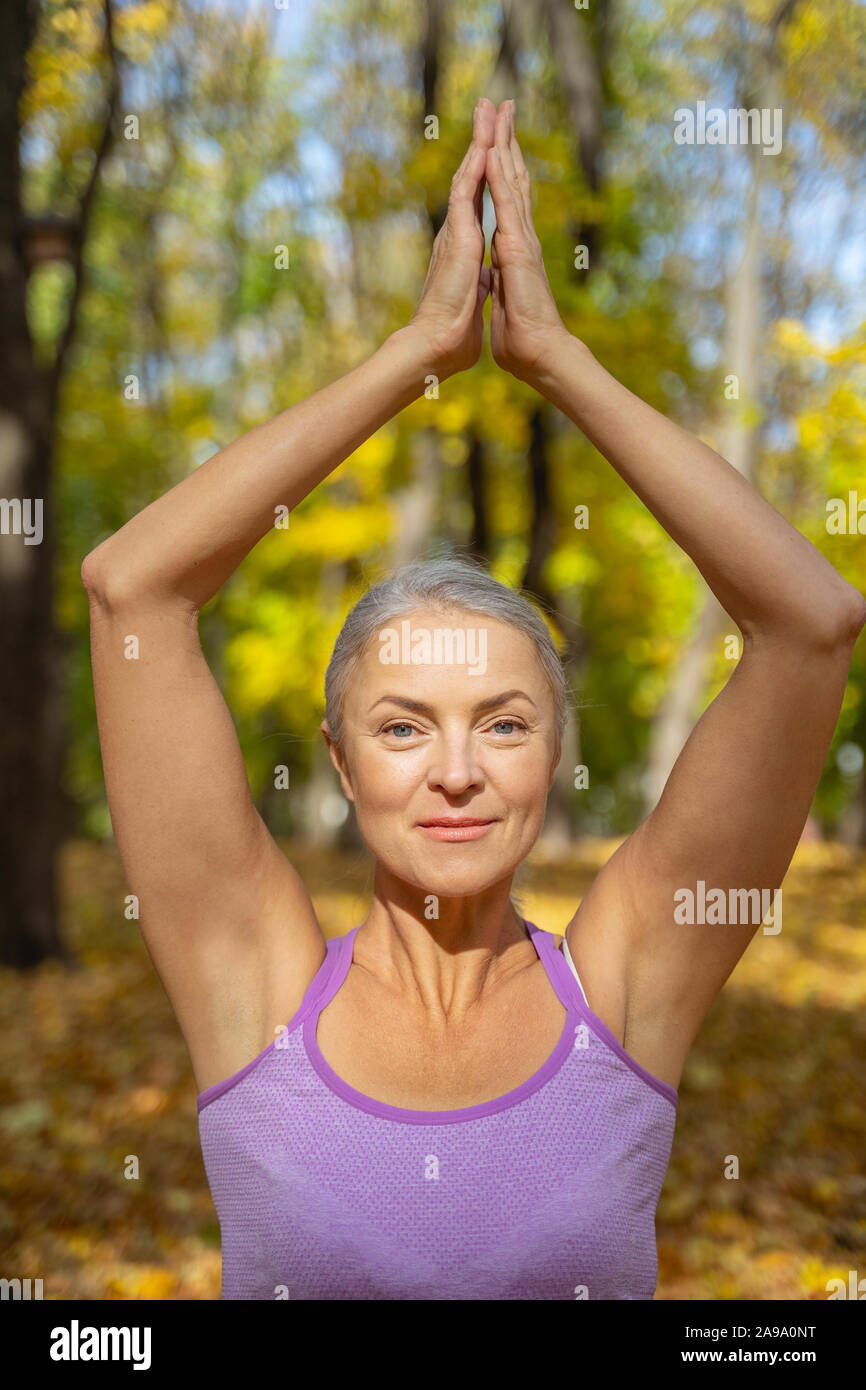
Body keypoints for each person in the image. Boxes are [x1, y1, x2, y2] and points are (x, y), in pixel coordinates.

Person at [82, 98, 866, 1300]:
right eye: (402, 726)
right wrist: (416, 354)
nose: (455, 770)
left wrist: (555, 359)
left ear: (553, 754)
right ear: (341, 761)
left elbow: (809, 625)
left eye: (503, 722)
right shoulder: (253, 981)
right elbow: (131, 586)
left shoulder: (621, 985)